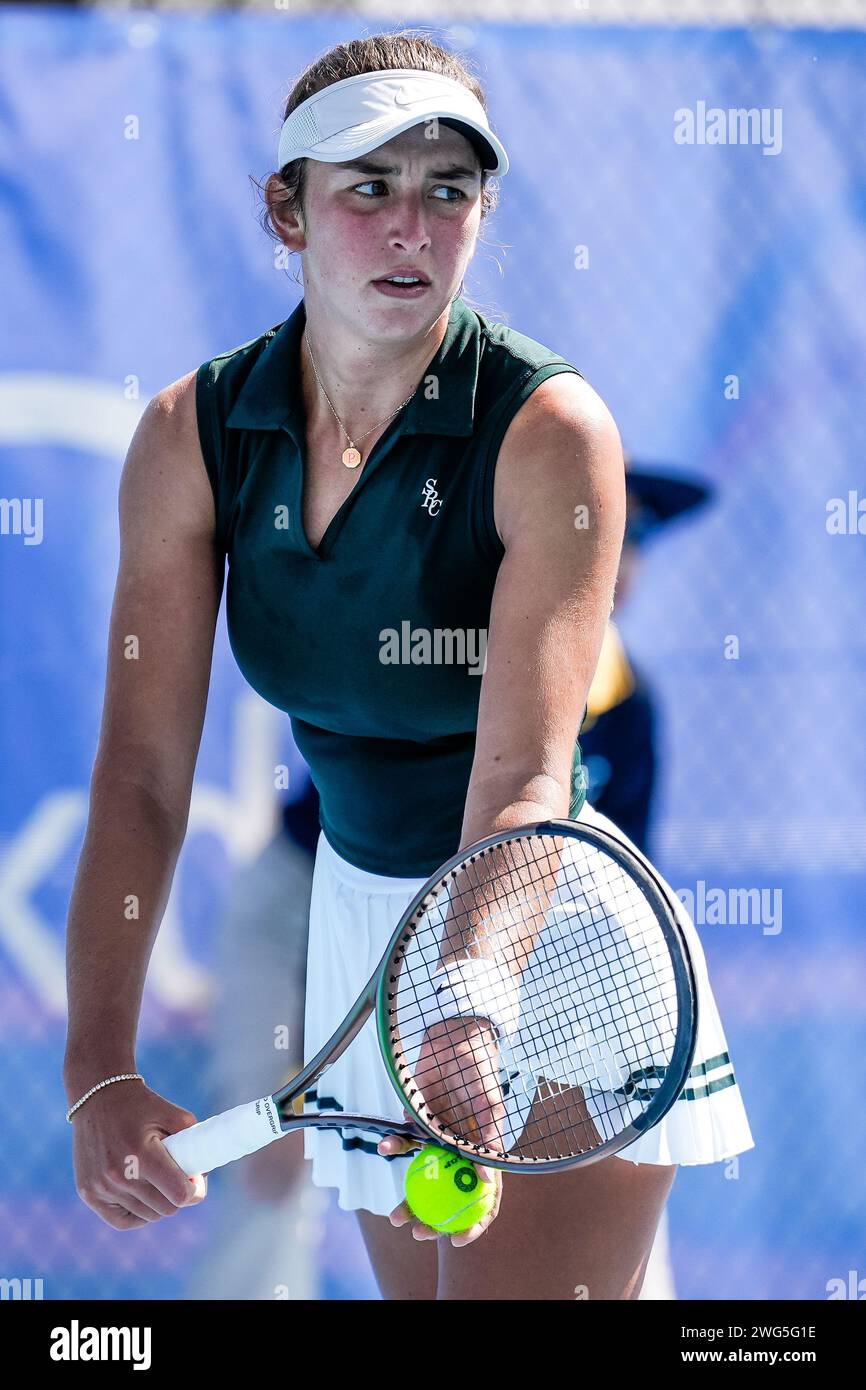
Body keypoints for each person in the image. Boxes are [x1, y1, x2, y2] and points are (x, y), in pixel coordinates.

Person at [64, 31, 754, 1302]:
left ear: (483, 212)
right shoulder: (188, 436)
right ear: (287, 208)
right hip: (356, 927)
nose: (409, 226)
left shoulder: (550, 431)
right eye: (366, 186)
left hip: (534, 940)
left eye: (448, 190)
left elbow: (525, 777)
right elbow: (144, 775)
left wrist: (469, 1000)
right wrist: (97, 1063)